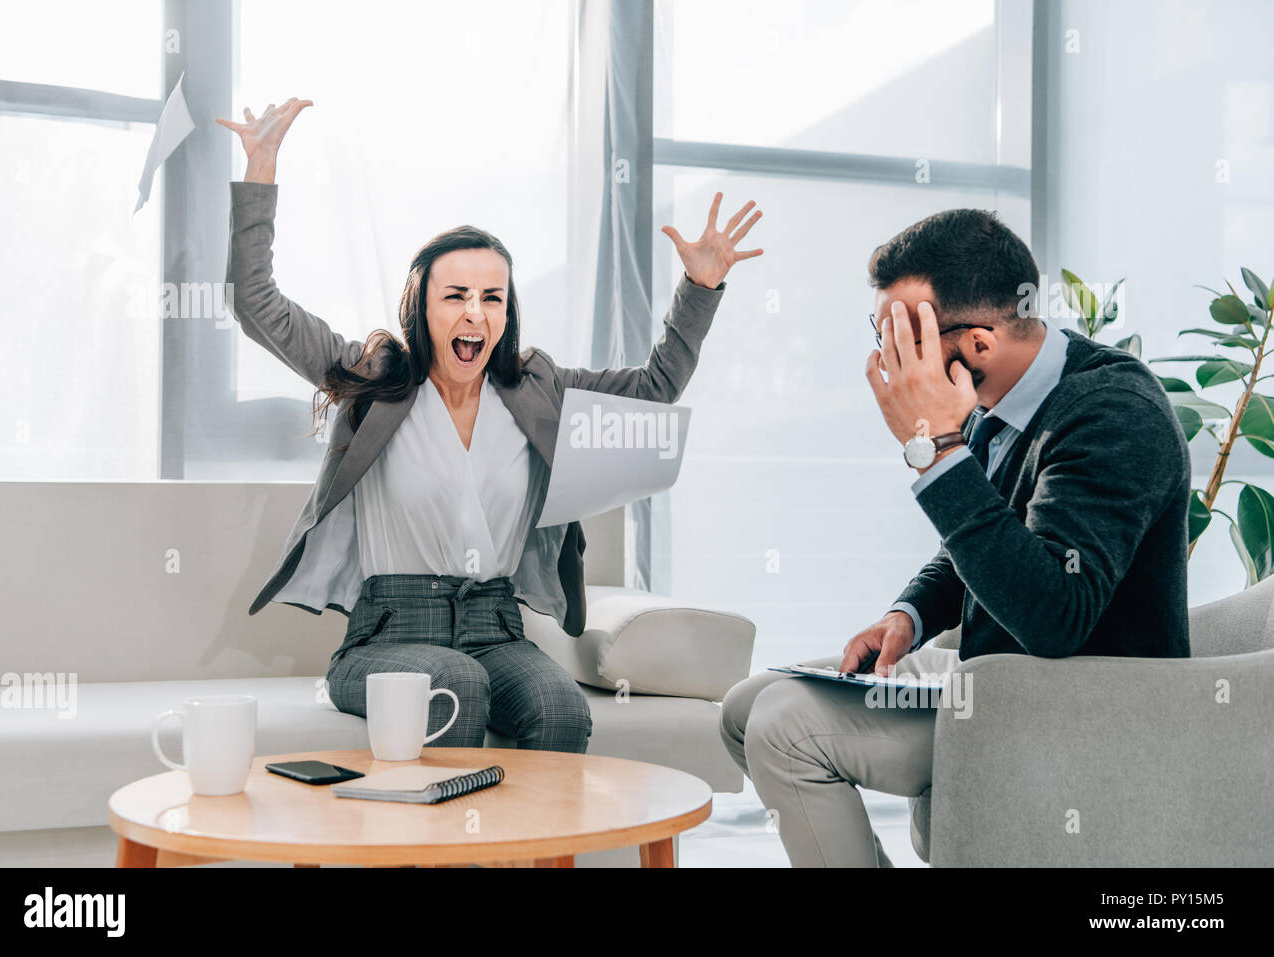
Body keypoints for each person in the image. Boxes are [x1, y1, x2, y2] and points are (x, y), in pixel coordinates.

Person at [216, 98, 764, 753]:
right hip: (389, 631)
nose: (474, 311)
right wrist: (261, 173)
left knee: (559, 710)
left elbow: (654, 388)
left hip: (496, 626)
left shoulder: (535, 390)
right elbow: (257, 306)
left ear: (506, 314)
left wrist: (700, 287)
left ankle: (532, 858)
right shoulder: (375, 377)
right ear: (422, 305)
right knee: (457, 682)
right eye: (456, 295)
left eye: (492, 296)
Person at [720, 208, 1191, 866]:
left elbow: (1056, 614)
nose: (889, 362)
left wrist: (938, 452)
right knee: (743, 704)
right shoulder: (991, 399)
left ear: (977, 344)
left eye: (904, 340)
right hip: (992, 669)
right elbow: (986, 540)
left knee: (781, 728)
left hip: (1077, 703)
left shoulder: (1112, 414)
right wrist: (907, 614)